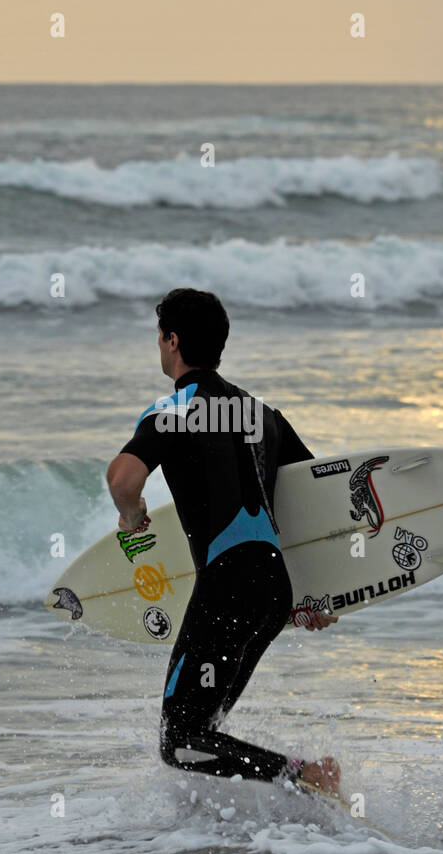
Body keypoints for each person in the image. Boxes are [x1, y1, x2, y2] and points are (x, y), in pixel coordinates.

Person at [106, 287, 340, 796]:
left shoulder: (173, 409)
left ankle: (308, 776)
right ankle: (234, 833)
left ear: (171, 341)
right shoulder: (264, 415)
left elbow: (123, 478)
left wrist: (132, 515)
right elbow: (311, 500)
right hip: (273, 592)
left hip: (228, 586)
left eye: (160, 338)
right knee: (200, 732)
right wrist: (312, 595)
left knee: (180, 740)